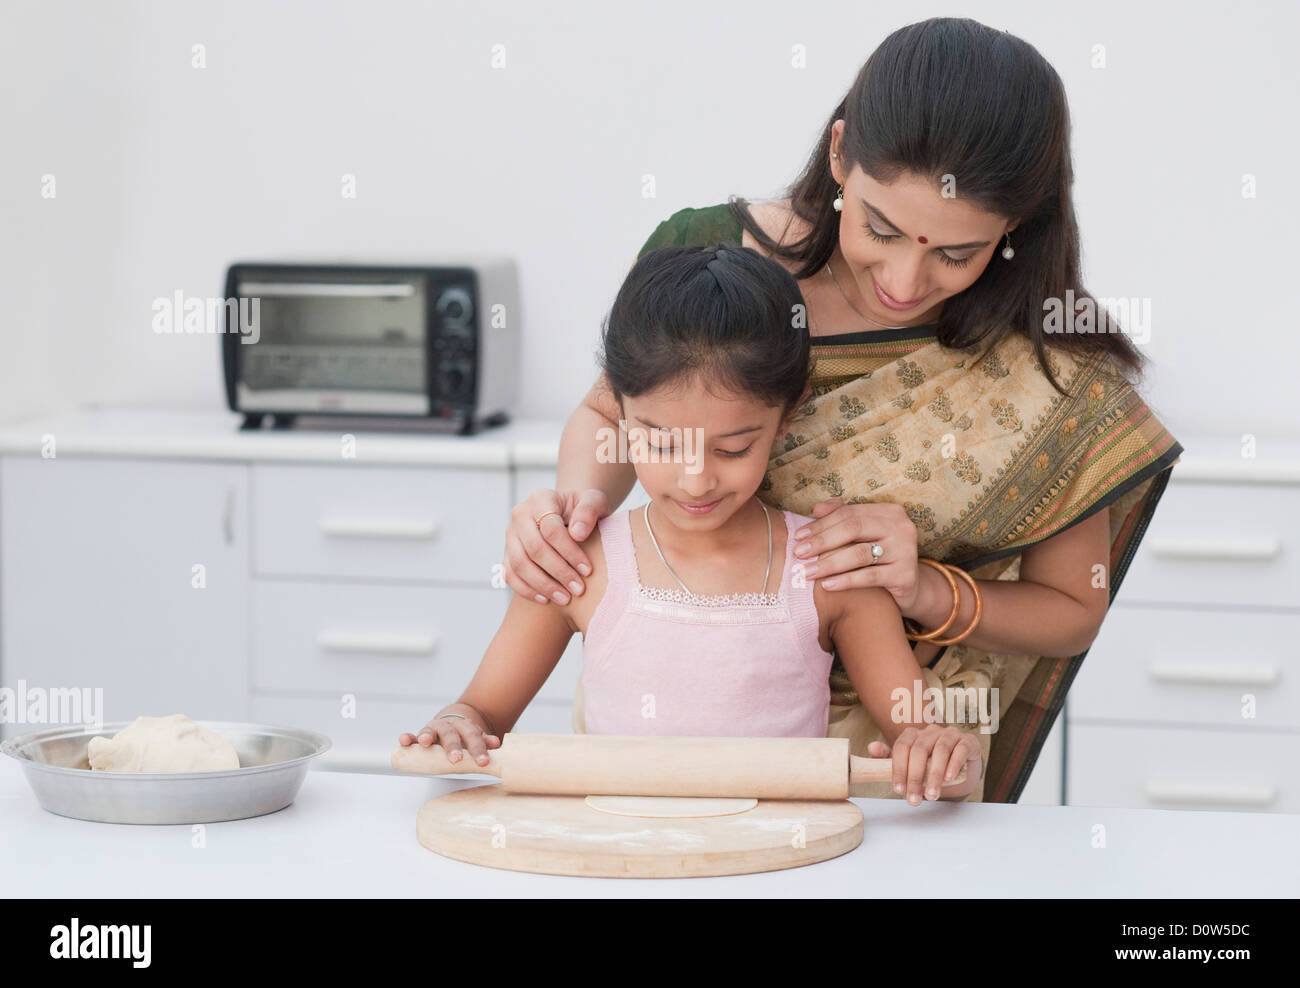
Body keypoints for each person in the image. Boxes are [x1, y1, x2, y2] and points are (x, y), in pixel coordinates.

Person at [498, 17, 1184, 802]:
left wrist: (923, 589)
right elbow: (610, 414)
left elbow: (1072, 611)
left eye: (955, 253)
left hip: (889, 759)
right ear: (838, 156)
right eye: (880, 228)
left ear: (1014, 227)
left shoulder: (1048, 371)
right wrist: (572, 509)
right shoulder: (714, 256)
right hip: (661, 740)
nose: (903, 278)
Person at [398, 244, 983, 805]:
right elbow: (480, 712)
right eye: (660, 442)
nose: (696, 480)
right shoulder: (581, 565)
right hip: (621, 862)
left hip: (780, 867)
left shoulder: (829, 570)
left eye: (732, 449)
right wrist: (455, 726)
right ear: (618, 406)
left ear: (788, 412)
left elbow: (918, 734)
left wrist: (938, 750)